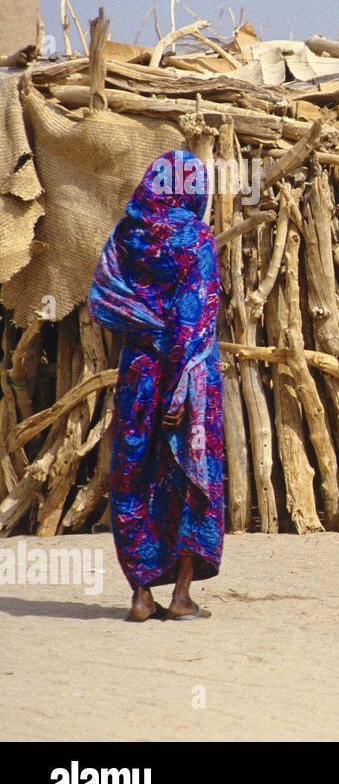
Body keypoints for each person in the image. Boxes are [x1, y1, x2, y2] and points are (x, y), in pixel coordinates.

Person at [87, 150, 223, 622]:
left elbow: (103, 298)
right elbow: (196, 317)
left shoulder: (126, 236)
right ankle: (181, 597)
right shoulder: (195, 239)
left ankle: (141, 594)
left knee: (133, 476)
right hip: (189, 377)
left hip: (140, 373)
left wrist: (147, 332)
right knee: (189, 479)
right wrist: (182, 389)